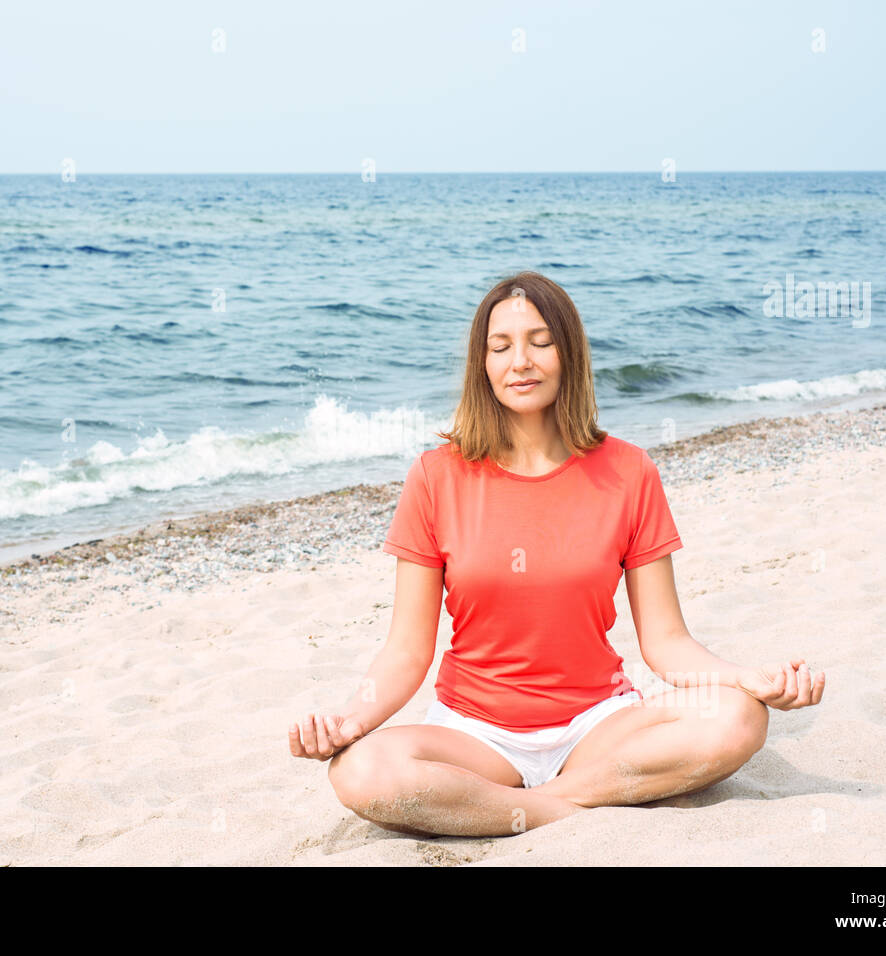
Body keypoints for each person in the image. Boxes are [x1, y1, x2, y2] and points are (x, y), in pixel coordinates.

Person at [287, 271, 825, 838]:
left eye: (540, 341)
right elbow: (406, 648)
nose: (520, 360)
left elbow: (667, 641)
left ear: (569, 353)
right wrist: (351, 719)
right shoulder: (434, 477)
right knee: (360, 771)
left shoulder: (629, 472)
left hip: (598, 726)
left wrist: (749, 679)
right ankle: (573, 809)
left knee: (739, 716)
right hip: (474, 733)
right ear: (483, 365)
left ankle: (530, 805)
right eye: (501, 347)